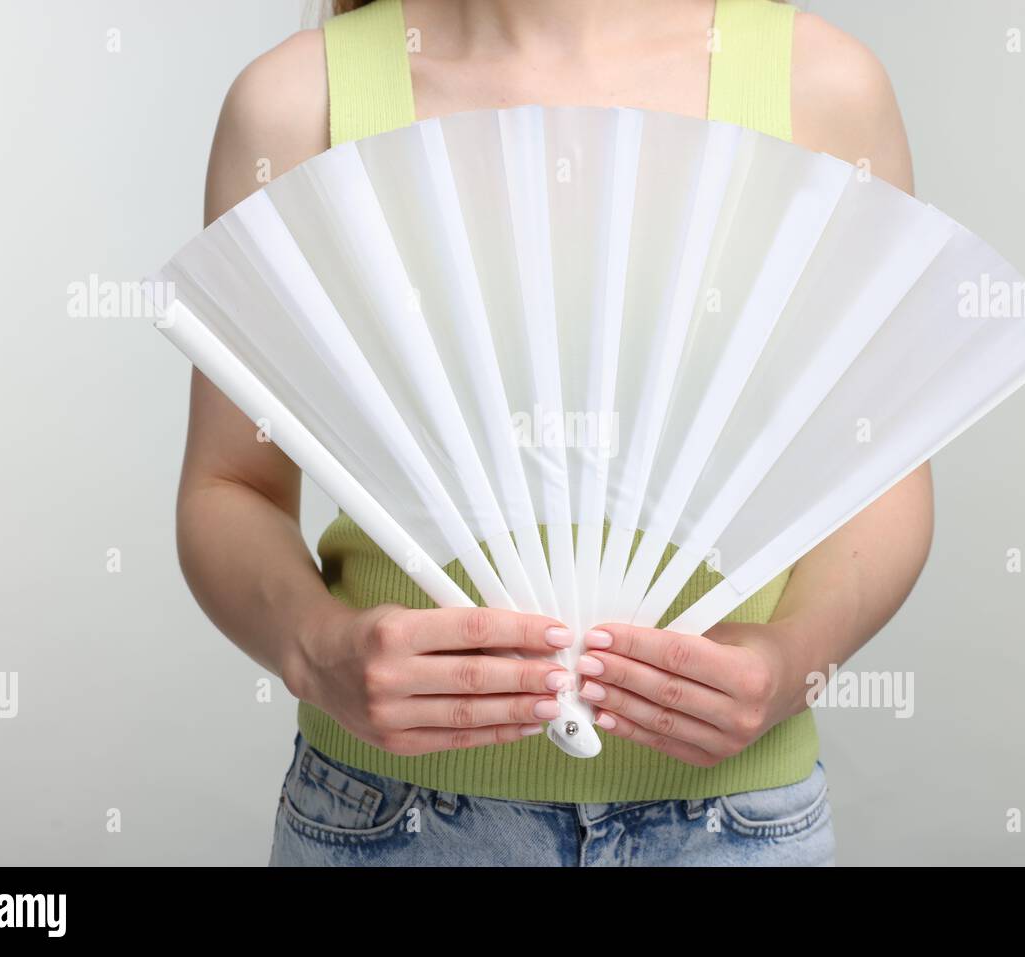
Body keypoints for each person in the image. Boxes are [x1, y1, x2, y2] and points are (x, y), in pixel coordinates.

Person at [178, 0, 931, 866]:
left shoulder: (816, 88)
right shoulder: (300, 103)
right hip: (390, 823)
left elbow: (881, 473)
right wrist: (313, 648)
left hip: (734, 825)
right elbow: (230, 484)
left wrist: (795, 653)